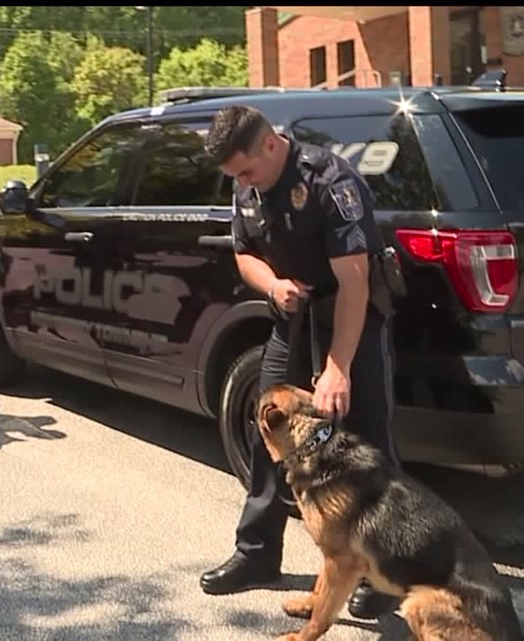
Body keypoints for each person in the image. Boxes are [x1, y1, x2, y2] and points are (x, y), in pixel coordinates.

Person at [200, 104, 401, 621]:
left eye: (245, 171)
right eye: (233, 177)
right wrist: (273, 285)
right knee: (269, 434)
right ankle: (256, 554)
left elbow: (356, 281)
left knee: (367, 445)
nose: (242, 182)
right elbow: (244, 252)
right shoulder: (245, 181)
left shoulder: (330, 181)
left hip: (350, 318)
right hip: (292, 318)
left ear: (270, 144)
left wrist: (338, 368)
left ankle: (383, 575)